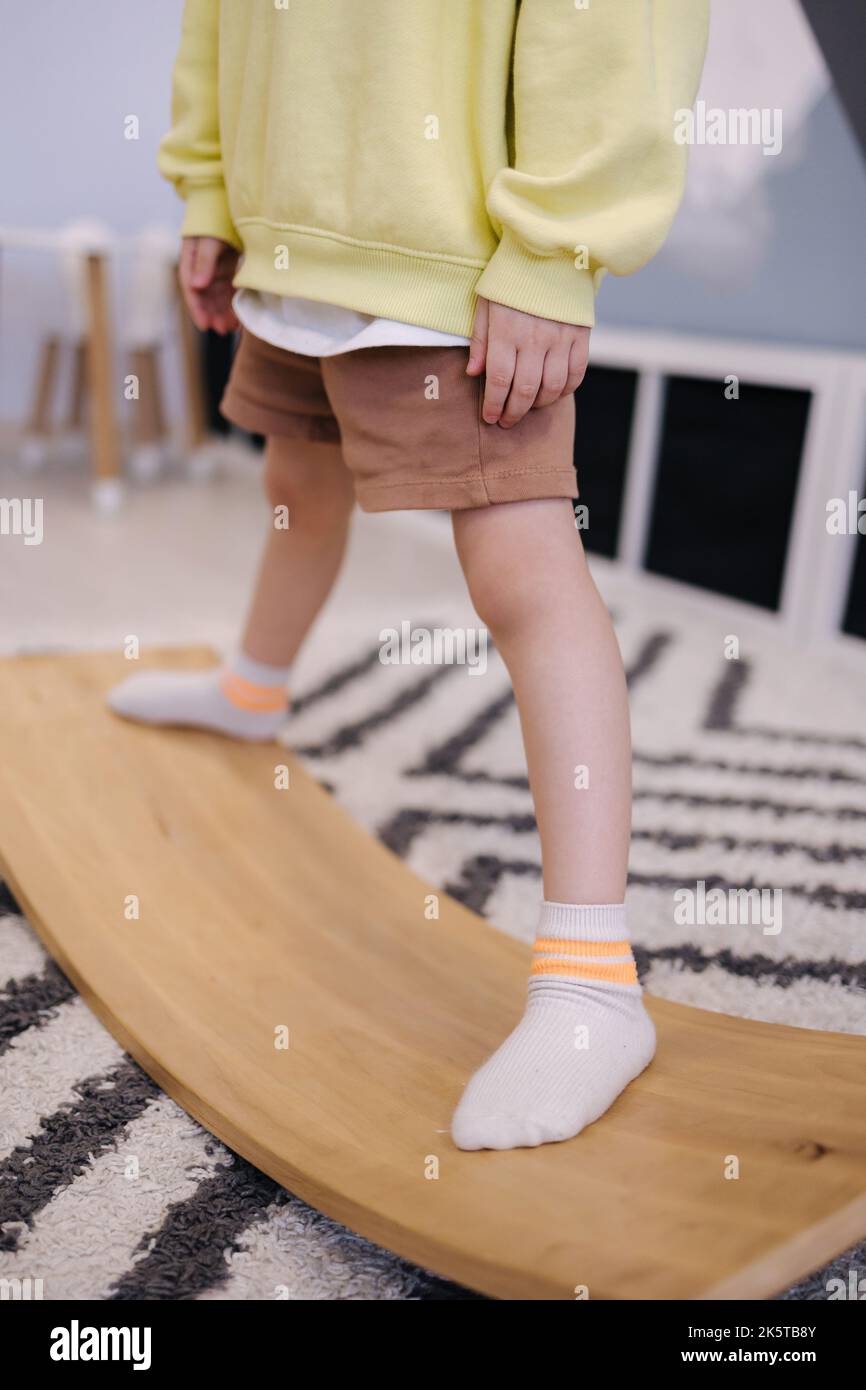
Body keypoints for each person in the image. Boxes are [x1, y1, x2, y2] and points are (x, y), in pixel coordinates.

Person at [110, 0, 709, 1150]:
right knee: (296, 479)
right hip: (285, 242)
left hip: (453, 254)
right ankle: (253, 687)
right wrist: (212, 191)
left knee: (518, 569)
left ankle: (591, 980)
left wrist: (552, 245)